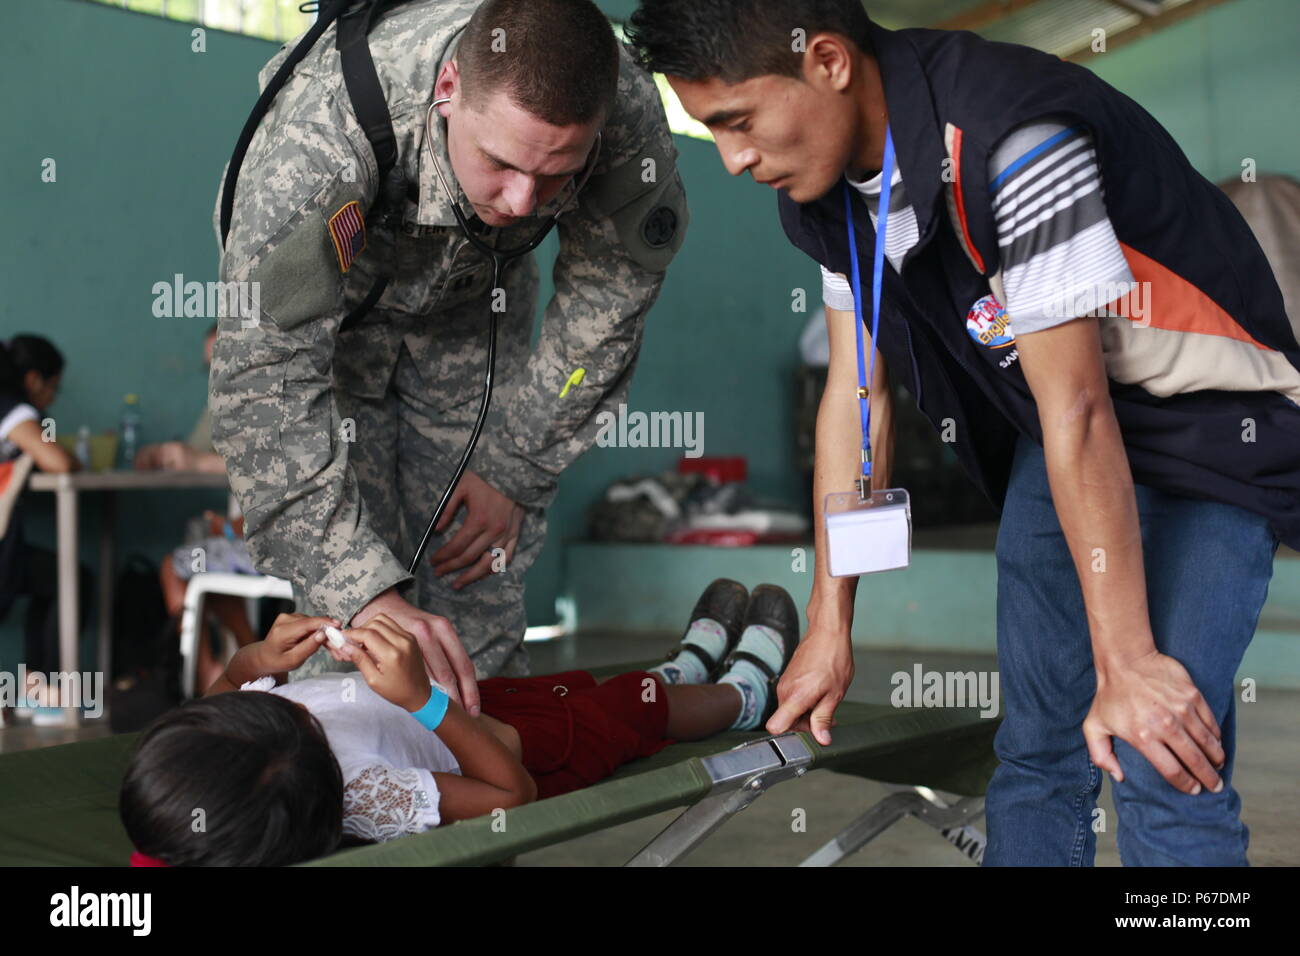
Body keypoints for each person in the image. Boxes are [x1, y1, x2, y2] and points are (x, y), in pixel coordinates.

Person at [627, 0, 1300, 866]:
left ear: (826, 61)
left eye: (739, 122)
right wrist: (833, 625)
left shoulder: (1016, 141)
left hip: (1208, 437)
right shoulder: (828, 194)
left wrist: (1126, 660)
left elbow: (1080, 409)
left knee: (1157, 749)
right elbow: (855, 397)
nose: (732, 160)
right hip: (1058, 439)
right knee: (1036, 750)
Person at [209, 0, 688, 719]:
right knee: (354, 628)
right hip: (333, 338)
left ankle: (495, 794)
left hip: (475, 309)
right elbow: (264, 382)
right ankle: (354, 795)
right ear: (448, 90)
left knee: (479, 578)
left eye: (557, 173)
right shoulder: (320, 139)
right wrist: (361, 587)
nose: (525, 200)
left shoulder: (621, 110)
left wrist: (517, 465)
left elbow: (612, 296)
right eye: (500, 162)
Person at [118, 579, 797, 866]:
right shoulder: (361, 792)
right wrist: (420, 701)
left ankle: (686, 665)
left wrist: (256, 657)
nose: (273, 693)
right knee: (635, 710)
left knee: (587, 685)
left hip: (468, 709)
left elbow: (227, 685)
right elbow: (512, 796)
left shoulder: (232, 734)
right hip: (514, 752)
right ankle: (744, 695)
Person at [137, 323, 258, 691]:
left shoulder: (270, 400)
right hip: (246, 539)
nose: (216, 374)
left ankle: (207, 678)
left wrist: (199, 463)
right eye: (210, 366)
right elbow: (190, 453)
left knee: (175, 567)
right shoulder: (223, 403)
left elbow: (267, 467)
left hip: (271, 541)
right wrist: (160, 454)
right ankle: (251, 674)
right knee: (213, 578)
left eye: (223, 361)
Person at [0, 335, 94, 724]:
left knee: (57, 578)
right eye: (52, 387)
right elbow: (58, 461)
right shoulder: (12, 410)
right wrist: (71, 453)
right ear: (35, 380)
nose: (52, 398)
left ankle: (36, 688)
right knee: (70, 579)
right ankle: (49, 693)